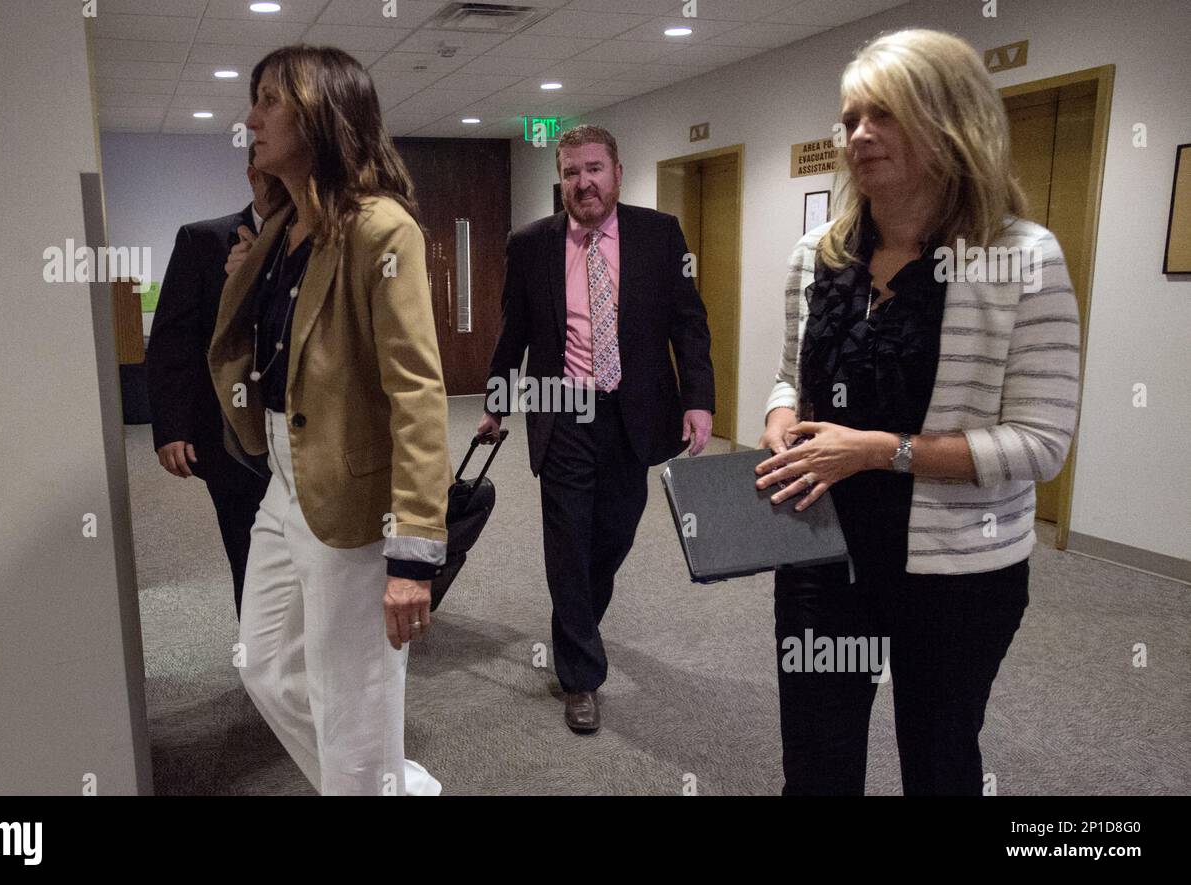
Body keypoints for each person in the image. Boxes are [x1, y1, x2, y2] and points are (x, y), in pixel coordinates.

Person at [757, 29, 1081, 795]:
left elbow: (1040, 443)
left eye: (886, 115)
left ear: (951, 122)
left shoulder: (1022, 259)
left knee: (938, 762)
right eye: (851, 119)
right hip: (823, 554)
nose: (860, 135)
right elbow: (785, 377)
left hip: (957, 573)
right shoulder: (817, 254)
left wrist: (878, 450)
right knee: (816, 764)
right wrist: (779, 419)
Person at [207, 45, 449, 795]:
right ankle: (389, 786)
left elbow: (418, 391)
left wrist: (413, 556)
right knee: (265, 664)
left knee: (353, 702)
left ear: (321, 114)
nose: (250, 120)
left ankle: (371, 782)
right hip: (285, 479)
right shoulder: (283, 231)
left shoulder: (380, 229)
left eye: (269, 102)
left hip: (355, 493)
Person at [479, 124, 715, 734]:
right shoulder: (531, 243)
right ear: (560, 180)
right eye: (570, 172)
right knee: (566, 540)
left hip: (633, 413)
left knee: (611, 535)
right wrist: (497, 398)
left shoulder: (660, 236)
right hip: (563, 411)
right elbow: (515, 330)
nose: (582, 183)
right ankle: (581, 676)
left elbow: (688, 321)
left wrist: (699, 399)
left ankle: (572, 629)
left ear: (617, 172)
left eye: (593, 169)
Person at [146, 145, 279, 619]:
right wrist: (171, 428)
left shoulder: (321, 241)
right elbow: (172, 341)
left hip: (307, 435)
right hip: (228, 440)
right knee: (249, 553)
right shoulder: (203, 241)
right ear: (251, 177)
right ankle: (261, 665)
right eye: (271, 178)